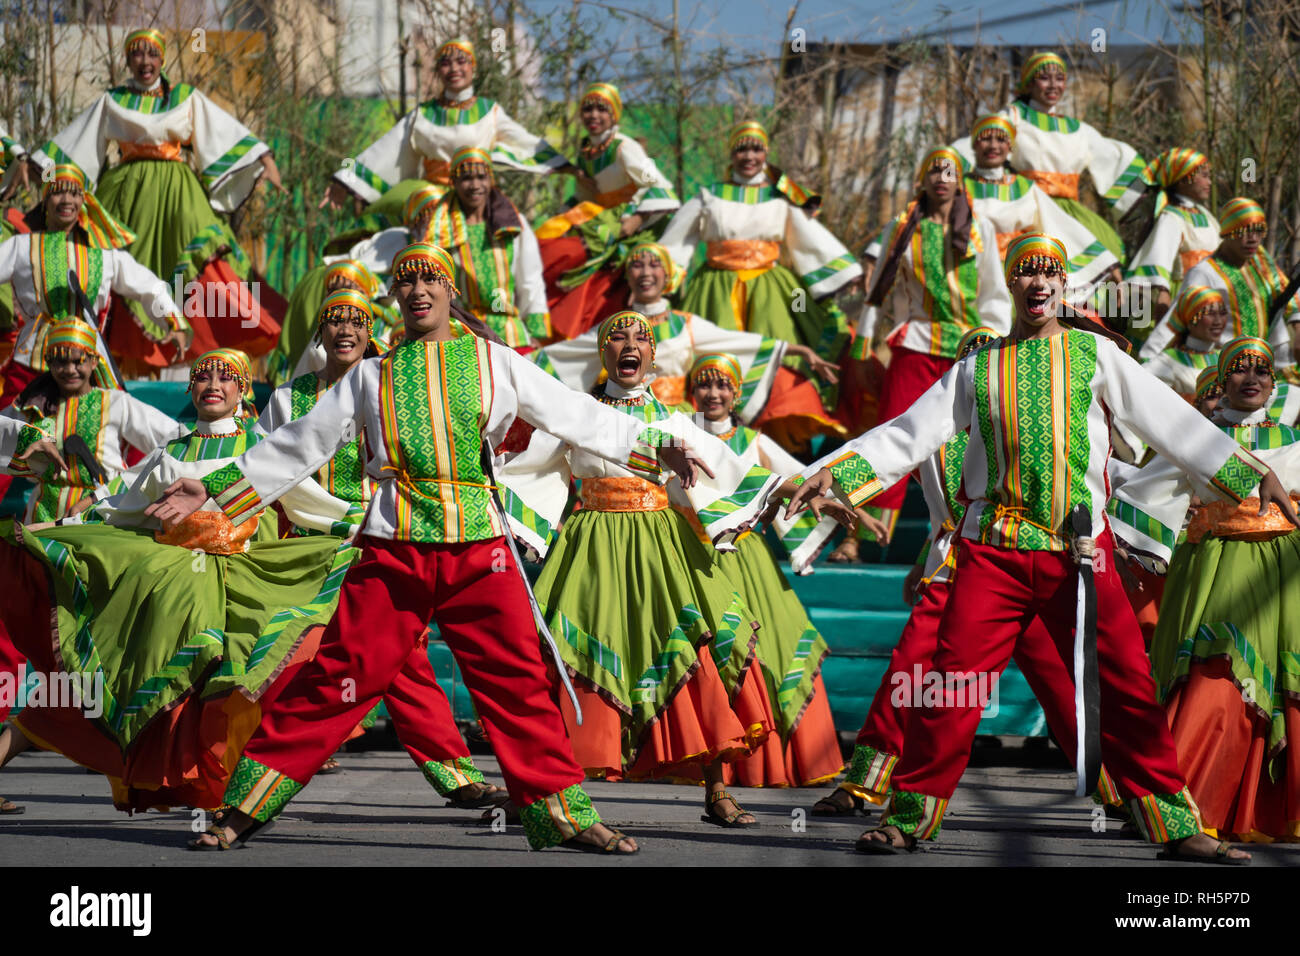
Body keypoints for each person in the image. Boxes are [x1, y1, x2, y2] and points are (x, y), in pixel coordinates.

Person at [147, 243, 723, 854]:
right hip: (394, 549)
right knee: (339, 676)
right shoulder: (369, 377)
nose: (418, 290)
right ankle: (247, 807)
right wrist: (209, 487)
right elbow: (296, 447)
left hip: (480, 549)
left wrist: (657, 445)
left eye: (430, 280)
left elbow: (578, 415)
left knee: (517, 683)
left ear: (450, 292)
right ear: (394, 298)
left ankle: (563, 812)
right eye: (405, 283)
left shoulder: (496, 362)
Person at [782, 233, 1296, 862]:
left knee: (1126, 684)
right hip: (992, 553)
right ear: (1013, 286)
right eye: (1026, 272)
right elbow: (908, 435)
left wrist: (1248, 472)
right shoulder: (976, 368)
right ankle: (910, 814)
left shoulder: (1094, 357)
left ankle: (1175, 824)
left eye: (1050, 271)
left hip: (1081, 552)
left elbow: (1175, 422)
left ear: (1064, 286)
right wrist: (839, 471)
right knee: (954, 684)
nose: (1038, 281)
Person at [496, 312, 841, 822]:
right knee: (567, 659)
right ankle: (539, 790)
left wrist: (805, 490)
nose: (630, 344)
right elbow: (529, 467)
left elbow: (734, 467)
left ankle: (716, 790)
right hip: (591, 542)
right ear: (603, 352)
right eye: (618, 336)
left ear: (654, 356)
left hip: (662, 542)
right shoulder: (580, 413)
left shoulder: (673, 420)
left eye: (642, 338)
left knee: (696, 656)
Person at [0, 346, 360, 814]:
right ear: (190, 389)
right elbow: (118, 511)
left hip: (240, 583)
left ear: (243, 390)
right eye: (203, 376)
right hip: (165, 586)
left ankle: (219, 793)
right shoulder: (170, 455)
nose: (213, 384)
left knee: (229, 679)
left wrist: (379, 527)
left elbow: (315, 506)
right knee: (100, 686)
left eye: (226, 376)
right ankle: (214, 796)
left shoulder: (260, 453)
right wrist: (51, 530)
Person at [810, 326, 1120, 818]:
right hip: (954, 571)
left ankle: (1119, 791)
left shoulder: (1031, 428)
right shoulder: (934, 432)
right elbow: (918, 483)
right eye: (969, 358)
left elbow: (1098, 476)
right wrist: (920, 560)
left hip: (1027, 561)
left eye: (988, 357)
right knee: (910, 673)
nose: (981, 370)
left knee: (1063, 688)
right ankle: (865, 785)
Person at [256, 287, 501, 804]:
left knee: (401, 660)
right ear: (319, 334)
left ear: (370, 334)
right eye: (335, 321)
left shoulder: (392, 384)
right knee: (282, 651)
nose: (346, 330)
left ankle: (456, 776)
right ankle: (237, 769)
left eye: (357, 322)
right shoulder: (287, 398)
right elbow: (272, 464)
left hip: (376, 542)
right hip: (308, 548)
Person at [1111, 337, 1300, 840]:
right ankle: (1183, 801)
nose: (1252, 377)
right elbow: (1147, 489)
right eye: (1238, 369)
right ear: (1222, 381)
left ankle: (1246, 806)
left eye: (1262, 369)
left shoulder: (1292, 436)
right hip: (1211, 562)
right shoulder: (1198, 436)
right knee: (1211, 672)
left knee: (1268, 680)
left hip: (1282, 568)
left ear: (1275, 383)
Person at [32, 28, 285, 366]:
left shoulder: (183, 96)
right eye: (137, 54)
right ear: (128, 60)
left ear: (162, 59)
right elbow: (77, 143)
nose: (145, 61)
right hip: (127, 191)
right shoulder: (112, 99)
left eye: (152, 54)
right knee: (112, 264)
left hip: (177, 194)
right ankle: (120, 360)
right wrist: (35, 166)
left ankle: (204, 351)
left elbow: (221, 131)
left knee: (204, 262)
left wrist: (263, 159)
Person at [685, 352, 846, 786]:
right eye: (704, 384)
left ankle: (774, 762)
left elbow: (806, 478)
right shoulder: (679, 437)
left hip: (744, 558)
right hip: (693, 558)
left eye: (723, 385)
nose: (713, 393)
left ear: (737, 394)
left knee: (769, 649)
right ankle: (706, 763)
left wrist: (854, 513)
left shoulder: (754, 443)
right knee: (706, 655)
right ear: (692, 392)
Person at [659, 119, 860, 444]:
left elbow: (808, 238)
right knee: (711, 356)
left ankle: (768, 441)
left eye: (755, 148)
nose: (749, 155)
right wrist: (658, 275)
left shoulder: (779, 198)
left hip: (773, 290)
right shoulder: (709, 195)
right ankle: (707, 438)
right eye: (742, 148)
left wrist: (846, 273)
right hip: (715, 288)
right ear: (732, 153)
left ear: (765, 153)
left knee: (784, 346)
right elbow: (676, 239)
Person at [847, 146, 1011, 541]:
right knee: (892, 430)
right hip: (915, 343)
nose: (942, 178)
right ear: (922, 179)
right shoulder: (903, 227)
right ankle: (866, 537)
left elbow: (993, 292)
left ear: (960, 181)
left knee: (974, 441)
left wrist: (999, 343)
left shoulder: (980, 229)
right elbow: (878, 288)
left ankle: (964, 536)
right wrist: (863, 343)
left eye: (950, 171)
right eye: (934, 171)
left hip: (969, 350)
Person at [533, 241, 838, 437]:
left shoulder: (686, 324)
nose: (646, 272)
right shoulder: (615, 327)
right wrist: (509, 356)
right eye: (637, 265)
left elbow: (738, 342)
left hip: (676, 422)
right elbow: (564, 356)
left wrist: (797, 350)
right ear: (628, 277)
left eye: (655, 265)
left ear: (668, 277)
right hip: (623, 420)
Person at [0, 164, 187, 404]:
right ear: (45, 200)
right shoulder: (22, 246)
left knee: (115, 419)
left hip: (89, 357)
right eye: (57, 191)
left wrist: (173, 320)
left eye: (75, 193)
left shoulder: (104, 255)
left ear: (84, 201)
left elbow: (147, 285)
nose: (67, 200)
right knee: (12, 423)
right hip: (34, 357)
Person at [323, 39, 581, 211]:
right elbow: (386, 149)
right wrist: (346, 182)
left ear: (473, 68)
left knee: (512, 233)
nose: (454, 68)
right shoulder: (422, 114)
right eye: (445, 63)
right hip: (430, 200)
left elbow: (525, 142)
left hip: (477, 199)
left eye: (461, 61)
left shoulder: (489, 112)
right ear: (438, 71)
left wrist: (565, 166)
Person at [954, 51, 1146, 261]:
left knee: (1104, 258)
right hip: (1032, 209)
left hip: (1071, 212)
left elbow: (1111, 157)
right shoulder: (1013, 118)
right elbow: (975, 144)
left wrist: (1151, 185)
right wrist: (944, 171)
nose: (1053, 85)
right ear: (1029, 84)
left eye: (1060, 78)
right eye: (1044, 78)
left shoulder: (1076, 129)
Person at [1, 316, 187, 522]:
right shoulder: (32, 404)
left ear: (94, 361)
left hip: (100, 511)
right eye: (61, 361)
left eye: (79, 361)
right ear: (48, 362)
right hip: (42, 514)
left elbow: (176, 439)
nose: (70, 370)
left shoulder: (116, 403)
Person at [536, 82, 680, 338]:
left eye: (601, 109)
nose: (594, 115)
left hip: (630, 224)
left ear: (614, 114)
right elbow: (584, 195)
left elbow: (656, 183)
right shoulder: (587, 151)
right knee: (551, 245)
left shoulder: (625, 147)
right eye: (588, 109)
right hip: (602, 223)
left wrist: (636, 217)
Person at [964, 114, 1118, 298]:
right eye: (986, 138)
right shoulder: (959, 188)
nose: (993, 146)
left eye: (1001, 139)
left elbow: (1059, 225)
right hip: (970, 274)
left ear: (1010, 146)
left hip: (1015, 279)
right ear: (974, 144)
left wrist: (1104, 265)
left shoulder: (1025, 188)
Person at [1140, 198, 1300, 367]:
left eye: (1258, 230)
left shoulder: (1260, 261)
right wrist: (1147, 363)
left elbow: (1288, 294)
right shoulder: (1204, 273)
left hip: (1267, 364)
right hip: (1226, 369)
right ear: (1227, 233)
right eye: (1243, 231)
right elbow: (1173, 322)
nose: (1253, 238)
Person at [420, 147, 549, 348]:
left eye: (481, 177)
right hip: (463, 333)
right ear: (453, 182)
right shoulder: (439, 228)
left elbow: (530, 280)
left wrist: (536, 333)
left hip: (511, 332)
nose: (475, 185)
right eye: (466, 178)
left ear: (491, 180)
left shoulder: (513, 224)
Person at [1123, 149, 1221, 330]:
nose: (1209, 182)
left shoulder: (1206, 216)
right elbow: (1158, 259)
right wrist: (1163, 293)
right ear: (1183, 179)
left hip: (1213, 295)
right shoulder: (1171, 217)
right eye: (1204, 176)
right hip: (1186, 296)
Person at [1141, 286, 1228, 398]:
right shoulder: (1167, 362)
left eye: (1223, 313)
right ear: (1190, 319)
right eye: (1210, 313)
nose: (1218, 321)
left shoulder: (1225, 358)